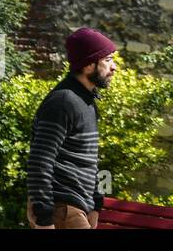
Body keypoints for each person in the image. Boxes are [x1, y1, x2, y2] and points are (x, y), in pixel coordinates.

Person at [26, 27, 117, 230]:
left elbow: (90, 159)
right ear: (87, 65)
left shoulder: (87, 101)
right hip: (62, 208)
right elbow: (40, 161)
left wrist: (96, 205)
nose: (114, 67)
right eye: (108, 60)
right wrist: (44, 219)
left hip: (77, 208)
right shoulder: (63, 102)